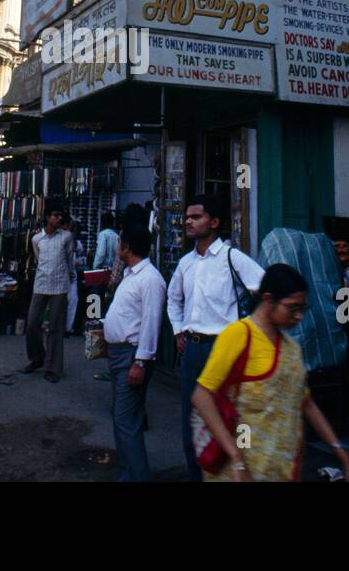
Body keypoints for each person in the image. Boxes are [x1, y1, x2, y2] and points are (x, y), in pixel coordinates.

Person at [192, 264, 349, 482]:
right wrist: (237, 458)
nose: (299, 316)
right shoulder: (238, 335)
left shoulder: (292, 348)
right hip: (240, 470)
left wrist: (343, 456)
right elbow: (201, 395)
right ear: (268, 299)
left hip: (283, 468)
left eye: (303, 308)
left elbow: (305, 403)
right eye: (292, 308)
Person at [166, 193, 264, 482]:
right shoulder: (185, 263)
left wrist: (246, 331)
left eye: (196, 216)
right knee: (191, 422)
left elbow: (263, 289)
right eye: (187, 217)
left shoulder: (232, 258)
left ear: (215, 222)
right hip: (193, 351)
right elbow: (173, 299)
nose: (188, 221)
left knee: (226, 417)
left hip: (223, 349)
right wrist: (178, 329)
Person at [102, 223, 165, 481]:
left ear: (126, 247)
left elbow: (152, 323)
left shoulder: (151, 279)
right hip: (119, 354)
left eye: (119, 243)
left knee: (126, 421)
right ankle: (127, 473)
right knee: (122, 419)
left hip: (132, 356)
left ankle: (137, 476)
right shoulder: (131, 274)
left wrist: (140, 361)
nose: (117, 247)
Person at [22, 205, 75, 383]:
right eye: (55, 214)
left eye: (60, 215)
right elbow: (38, 258)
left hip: (59, 285)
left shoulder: (66, 237)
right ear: (47, 217)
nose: (58, 218)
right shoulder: (37, 239)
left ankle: (54, 368)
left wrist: (70, 274)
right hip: (41, 283)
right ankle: (37, 358)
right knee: (31, 323)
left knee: (55, 327)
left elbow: (69, 259)